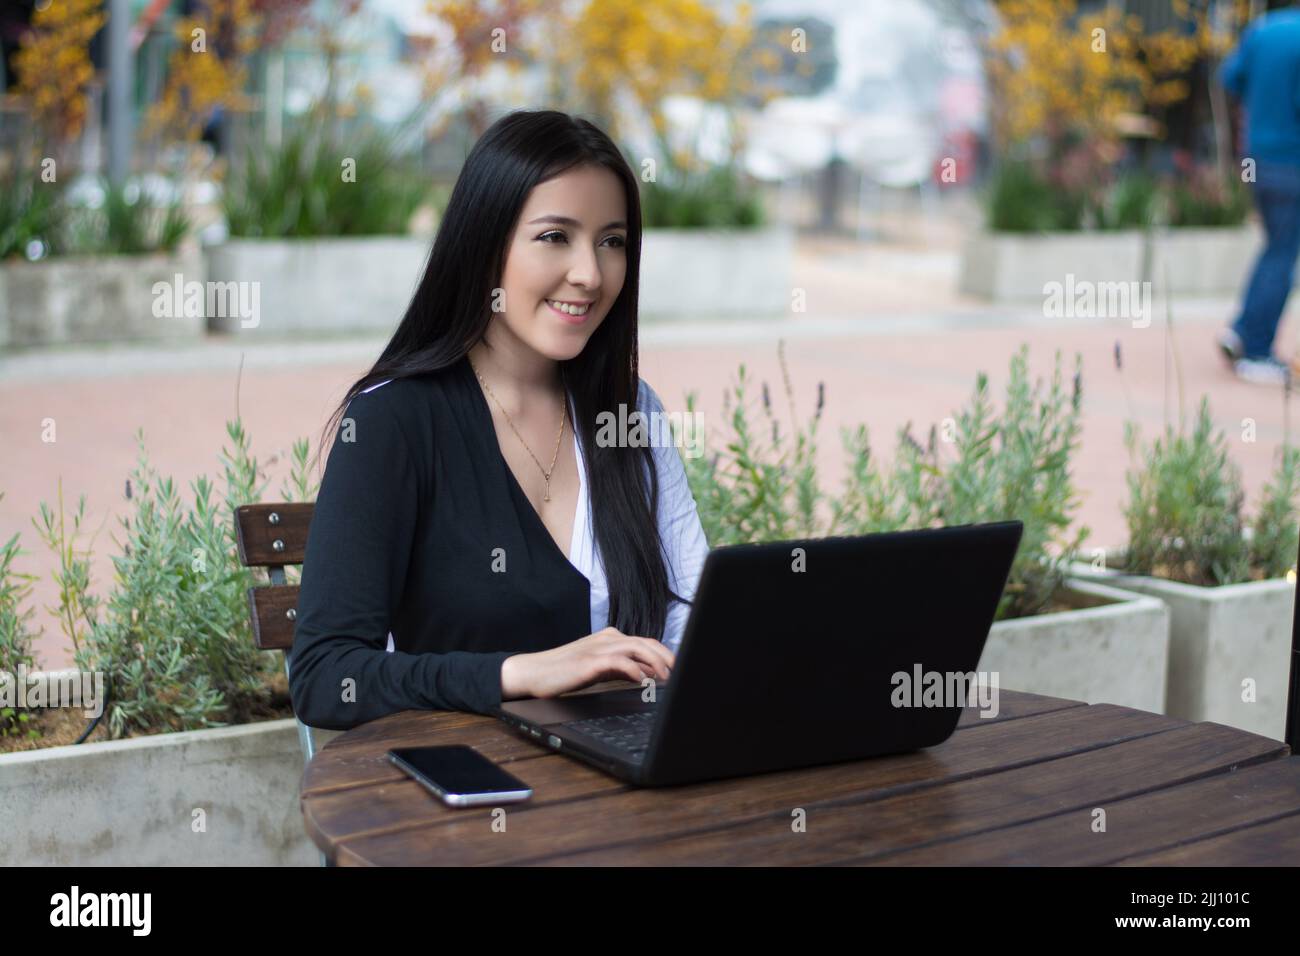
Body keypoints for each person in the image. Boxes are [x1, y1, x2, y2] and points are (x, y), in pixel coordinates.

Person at [288, 110, 710, 731]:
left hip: (620, 783)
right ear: (485, 247)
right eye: (554, 237)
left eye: (612, 241)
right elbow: (327, 677)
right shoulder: (392, 421)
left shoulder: (630, 410)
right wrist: (517, 673)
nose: (590, 274)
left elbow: (687, 615)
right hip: (463, 790)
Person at [1216, 4, 1300, 385]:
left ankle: (1243, 330)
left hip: (1255, 159)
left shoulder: (1262, 28)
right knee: (1283, 253)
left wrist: (1264, 102)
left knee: (1273, 247)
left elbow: (1229, 78)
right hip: (1290, 162)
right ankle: (1256, 352)